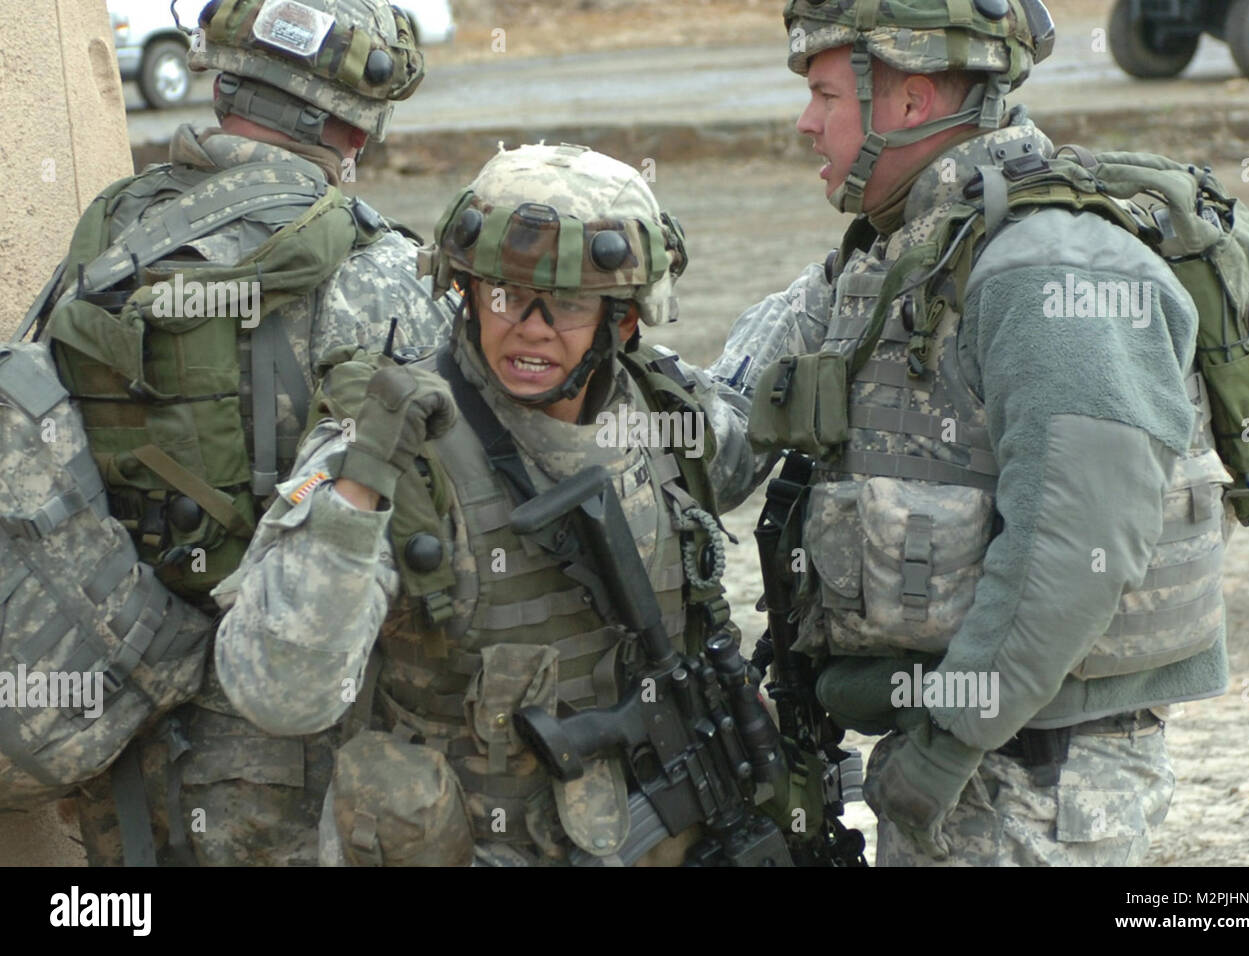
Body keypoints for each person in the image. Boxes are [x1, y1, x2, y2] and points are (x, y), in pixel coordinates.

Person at [709, 0, 1231, 865]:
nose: (805, 123)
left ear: (910, 102)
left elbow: (1074, 548)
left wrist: (947, 748)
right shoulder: (890, 257)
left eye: (825, 95)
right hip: (966, 755)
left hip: (1039, 776)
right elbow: (720, 432)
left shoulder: (1050, 267)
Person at [212, 143, 764, 865]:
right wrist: (358, 488)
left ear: (624, 322)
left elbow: (764, 429)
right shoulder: (395, 445)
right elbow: (280, 693)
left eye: (567, 302)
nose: (531, 326)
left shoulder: (666, 414)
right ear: (465, 293)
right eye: (503, 295)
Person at [31, 0, 452, 866]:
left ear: (223, 85)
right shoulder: (374, 264)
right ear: (351, 127)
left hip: (116, 703)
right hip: (279, 729)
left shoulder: (110, 232)